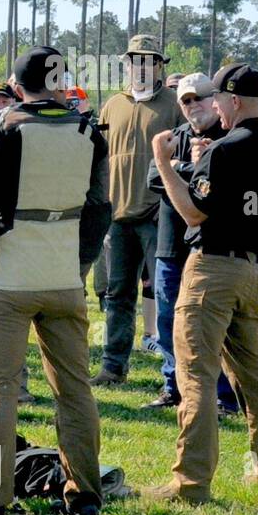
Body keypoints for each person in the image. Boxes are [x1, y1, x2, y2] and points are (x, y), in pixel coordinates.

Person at [0, 46, 111, 515]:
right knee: (75, 391)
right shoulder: (89, 132)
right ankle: (85, 498)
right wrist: (78, 266)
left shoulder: (2, 129)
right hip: (64, 280)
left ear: (16, 88)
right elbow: (100, 209)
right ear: (60, 83)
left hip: (8, 278)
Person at [147, 64, 258, 503]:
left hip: (211, 269)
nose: (214, 108)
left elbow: (194, 213)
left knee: (195, 374)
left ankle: (190, 483)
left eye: (218, 100)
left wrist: (163, 163)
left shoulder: (224, 149)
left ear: (234, 100)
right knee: (253, 373)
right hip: (253, 271)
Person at [144, 74, 237, 413]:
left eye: (200, 97)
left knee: (212, 326)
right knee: (167, 321)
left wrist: (185, 167)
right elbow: (153, 176)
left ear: (215, 99)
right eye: (186, 100)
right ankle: (174, 387)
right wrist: (188, 166)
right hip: (171, 246)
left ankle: (224, 395)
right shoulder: (174, 137)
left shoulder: (231, 137)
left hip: (211, 247)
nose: (194, 105)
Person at [93, 35, 181, 385]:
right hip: (117, 218)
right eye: (135, 61)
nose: (142, 67)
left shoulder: (174, 105)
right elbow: (100, 159)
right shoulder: (112, 105)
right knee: (118, 295)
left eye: (149, 61)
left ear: (160, 66)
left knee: (166, 296)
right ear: (127, 65)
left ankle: (175, 374)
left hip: (159, 216)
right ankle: (113, 368)